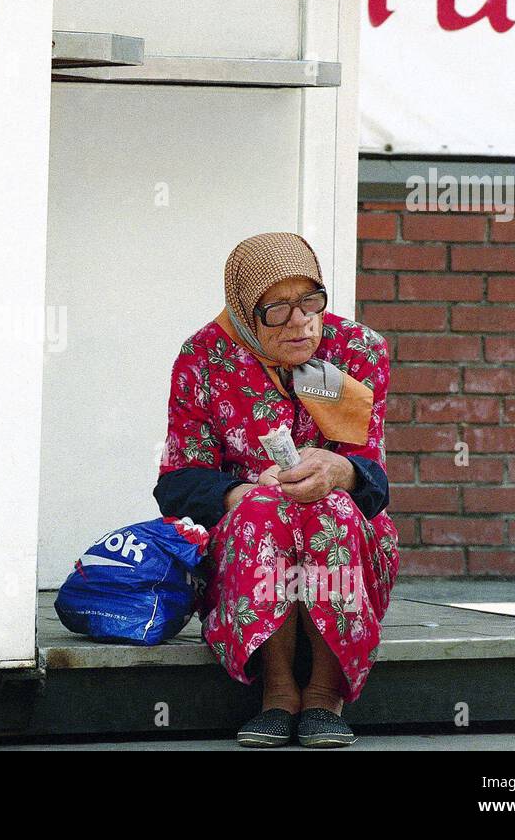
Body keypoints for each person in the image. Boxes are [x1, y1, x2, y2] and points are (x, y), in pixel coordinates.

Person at [154, 232, 399, 748]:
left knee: (327, 505)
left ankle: (325, 695)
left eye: (311, 300)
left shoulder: (356, 349)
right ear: (245, 311)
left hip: (347, 529)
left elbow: (373, 477)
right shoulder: (204, 358)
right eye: (277, 309)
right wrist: (240, 492)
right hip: (248, 534)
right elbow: (178, 483)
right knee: (267, 508)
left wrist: (340, 471)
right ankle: (279, 692)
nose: (300, 320)